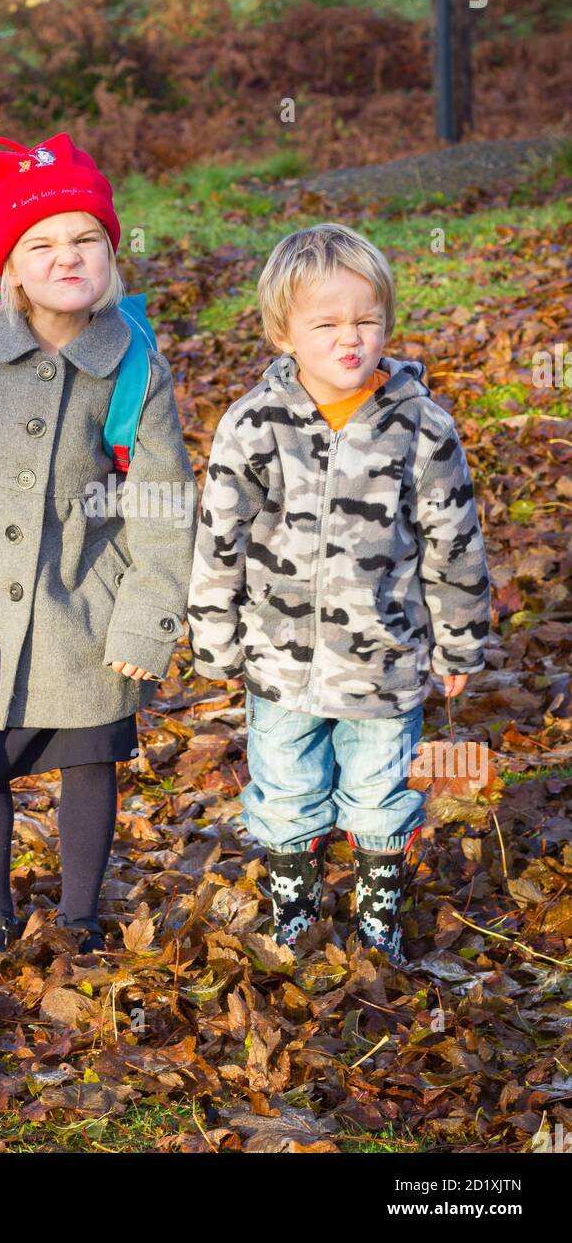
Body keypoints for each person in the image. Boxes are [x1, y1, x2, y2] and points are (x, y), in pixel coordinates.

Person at [0, 132, 197, 971]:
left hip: (85, 597)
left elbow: (164, 498)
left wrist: (147, 617)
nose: (67, 257)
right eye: (42, 243)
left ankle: (78, 916)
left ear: (111, 253)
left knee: (89, 749)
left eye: (86, 240)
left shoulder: (134, 364)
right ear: (11, 267)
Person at [187, 222, 491, 964]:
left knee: (380, 786)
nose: (350, 339)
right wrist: (214, 635)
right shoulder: (254, 426)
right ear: (283, 333)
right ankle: (297, 904)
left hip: (385, 659)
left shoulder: (421, 427)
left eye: (366, 320)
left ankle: (376, 909)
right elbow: (219, 534)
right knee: (285, 783)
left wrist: (460, 639)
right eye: (326, 324)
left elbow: (454, 539)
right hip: (280, 660)